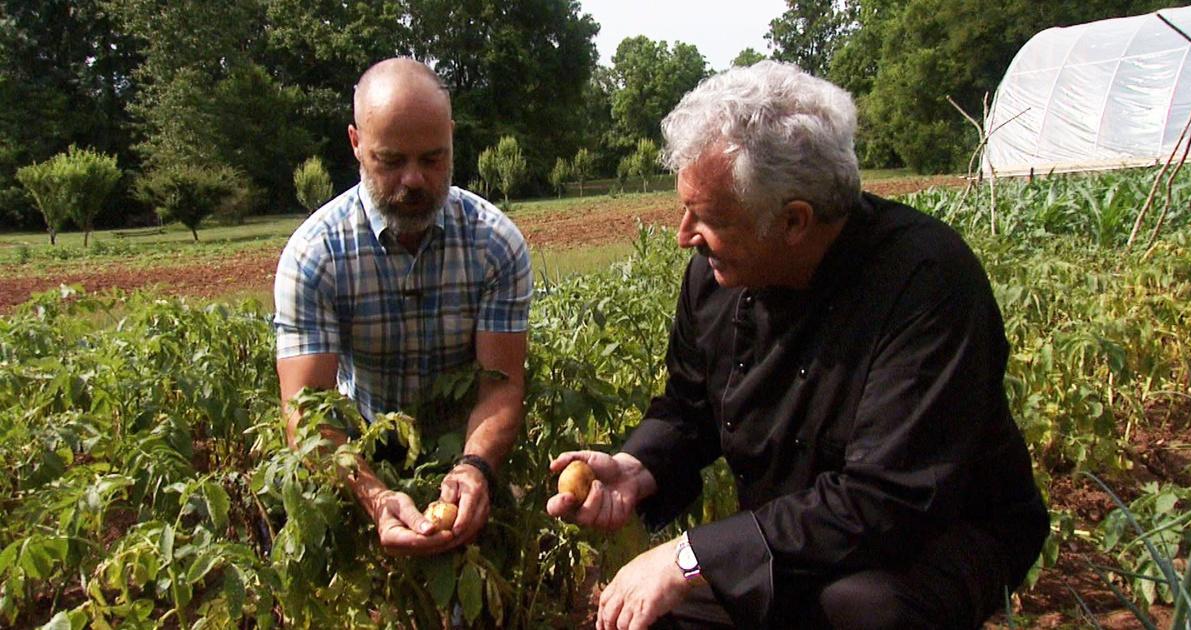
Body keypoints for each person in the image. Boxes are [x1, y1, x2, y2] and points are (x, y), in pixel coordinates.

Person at [547, 61, 1049, 629]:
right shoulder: (714, 276)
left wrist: (692, 557)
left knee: (861, 609)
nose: (684, 234)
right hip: (796, 528)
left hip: (939, 532)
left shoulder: (924, 282)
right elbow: (688, 408)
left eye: (706, 217)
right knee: (651, 611)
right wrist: (638, 466)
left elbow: (889, 499)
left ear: (793, 222)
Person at [274, 58, 532, 557]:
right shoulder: (315, 256)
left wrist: (475, 468)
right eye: (391, 161)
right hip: (361, 452)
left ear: (452, 139)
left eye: (433, 159)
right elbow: (305, 415)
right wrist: (373, 496)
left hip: (465, 445)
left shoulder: (495, 243)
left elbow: (501, 386)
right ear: (355, 144)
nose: (413, 180)